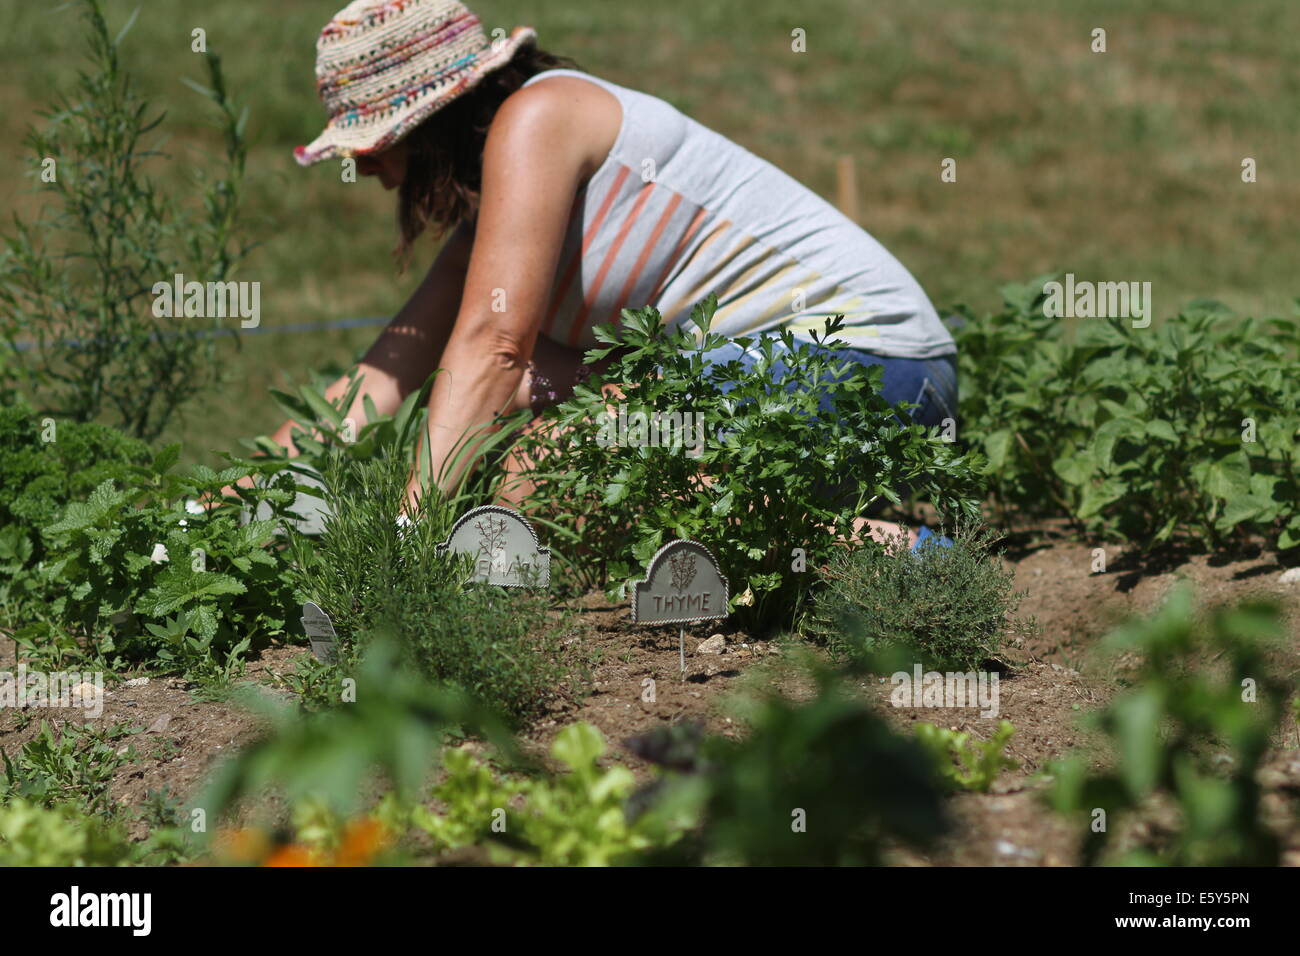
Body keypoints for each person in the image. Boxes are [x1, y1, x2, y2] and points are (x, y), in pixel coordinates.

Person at [278, 0, 958, 546]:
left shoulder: (539, 119)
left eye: (369, 142)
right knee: (531, 478)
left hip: (869, 364)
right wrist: (233, 495)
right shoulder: (497, 216)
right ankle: (847, 545)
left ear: (428, 119)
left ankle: (895, 558)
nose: (363, 166)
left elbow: (496, 346)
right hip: (798, 382)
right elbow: (379, 377)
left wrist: (407, 531)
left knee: (550, 475)